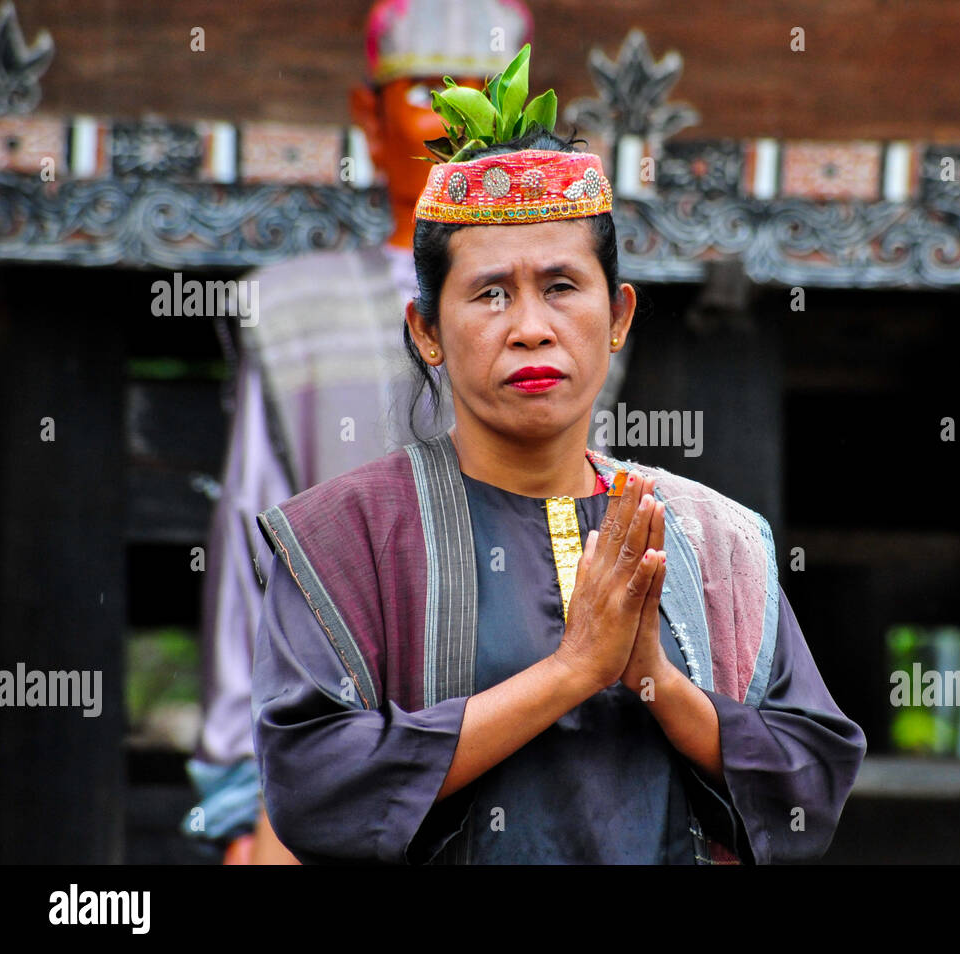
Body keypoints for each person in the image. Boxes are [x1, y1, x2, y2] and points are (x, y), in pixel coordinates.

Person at [250, 49, 866, 864]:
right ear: (426, 331)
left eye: (562, 286)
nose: (530, 325)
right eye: (491, 292)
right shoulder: (345, 539)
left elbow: (810, 783)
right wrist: (572, 672)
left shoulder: (716, 541)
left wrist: (654, 678)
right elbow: (316, 787)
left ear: (618, 316)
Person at [185, 0, 648, 864]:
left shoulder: (564, 317)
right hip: (345, 732)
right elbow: (252, 544)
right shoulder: (291, 308)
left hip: (537, 712)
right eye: (424, 89)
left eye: (475, 87)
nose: (450, 110)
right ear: (369, 114)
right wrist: (248, 795)